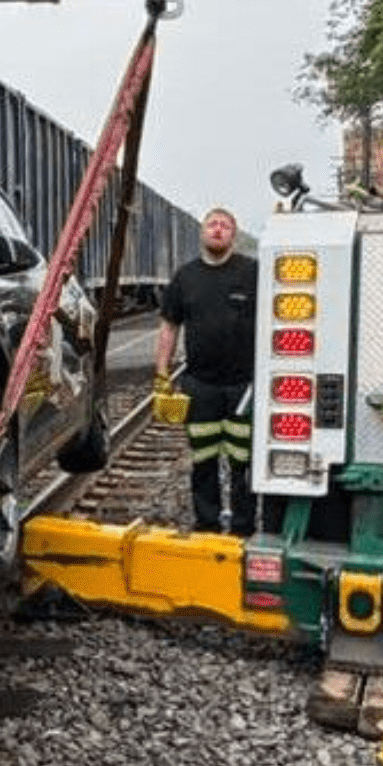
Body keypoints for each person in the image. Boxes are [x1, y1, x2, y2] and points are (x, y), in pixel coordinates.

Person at [153, 206, 259, 534]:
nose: (217, 230)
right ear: (202, 232)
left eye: (224, 225)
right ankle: (207, 523)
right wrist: (161, 373)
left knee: (243, 461)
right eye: (212, 224)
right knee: (204, 460)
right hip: (200, 385)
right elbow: (169, 327)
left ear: (234, 234)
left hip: (244, 386)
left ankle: (243, 526)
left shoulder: (252, 272)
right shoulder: (186, 277)